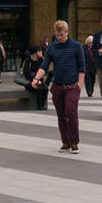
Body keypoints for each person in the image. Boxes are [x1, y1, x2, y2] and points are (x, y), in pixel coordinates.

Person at [33, 21, 86, 151]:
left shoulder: (76, 46)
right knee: (61, 115)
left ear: (67, 33)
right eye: (57, 35)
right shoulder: (52, 48)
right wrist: (36, 78)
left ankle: (74, 142)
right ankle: (65, 142)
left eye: (61, 34)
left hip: (72, 86)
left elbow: (82, 67)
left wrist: (79, 85)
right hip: (57, 86)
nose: (59, 37)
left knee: (71, 112)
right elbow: (44, 66)